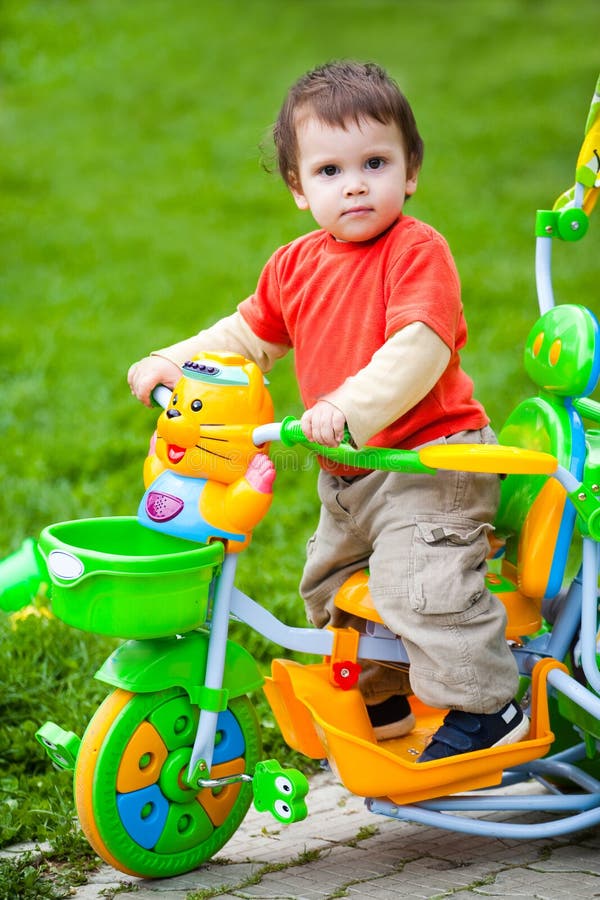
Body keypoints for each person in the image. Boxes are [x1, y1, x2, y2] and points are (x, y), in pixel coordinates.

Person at [128, 60, 529, 761]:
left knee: (420, 588)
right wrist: (174, 360)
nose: (355, 185)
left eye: (375, 162)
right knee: (334, 592)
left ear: (410, 172)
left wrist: (346, 407)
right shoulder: (294, 264)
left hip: (431, 463)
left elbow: (419, 349)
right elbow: (246, 336)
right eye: (330, 171)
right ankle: (387, 695)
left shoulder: (416, 251)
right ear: (298, 187)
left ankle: (486, 705)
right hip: (348, 474)